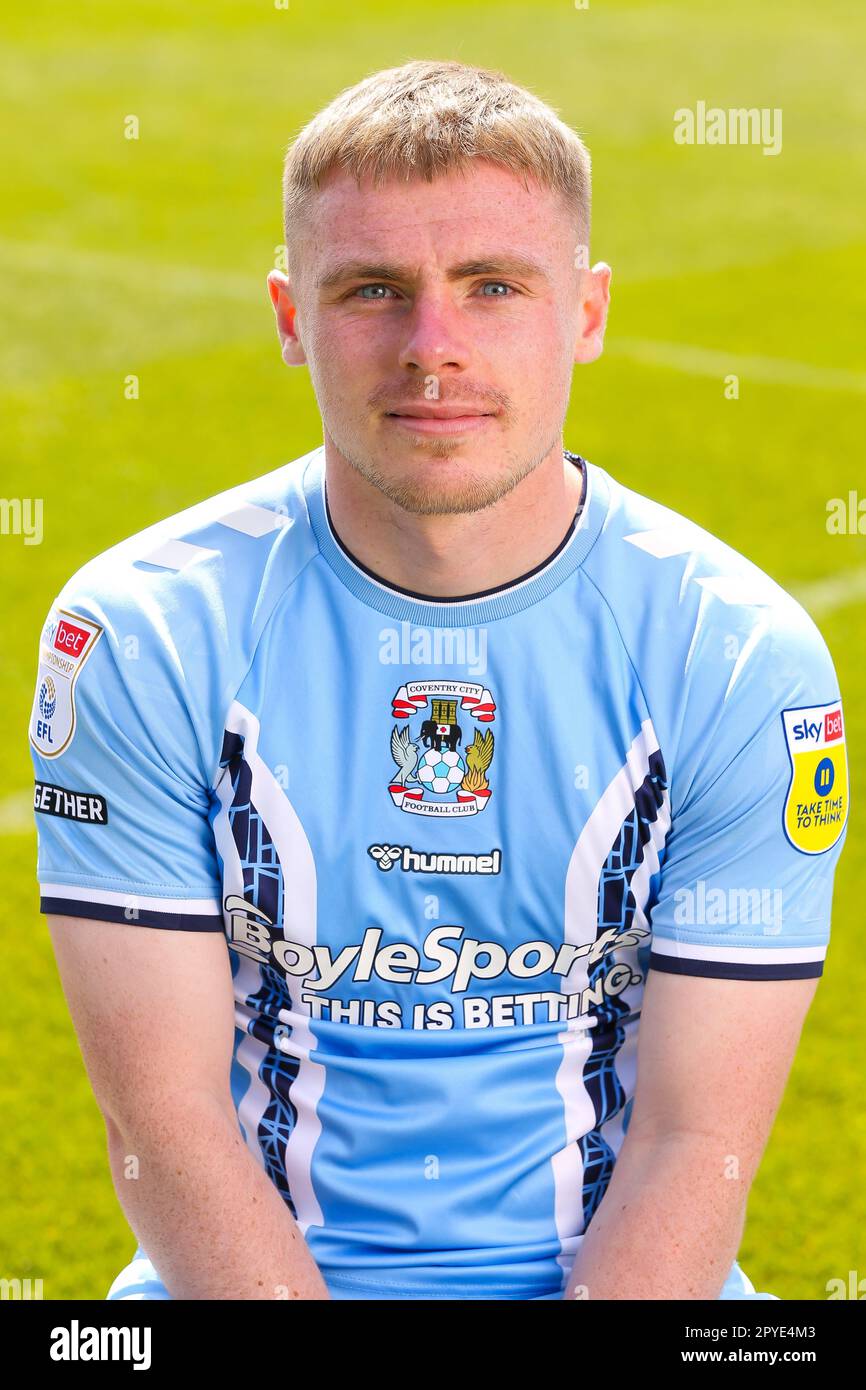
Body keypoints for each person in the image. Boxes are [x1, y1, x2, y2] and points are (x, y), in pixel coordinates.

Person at [29, 59, 848, 1302]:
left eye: (492, 287)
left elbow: (695, 1144)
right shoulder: (140, 631)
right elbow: (163, 1119)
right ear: (289, 313)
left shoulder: (739, 652)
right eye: (372, 290)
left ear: (584, 310)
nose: (431, 348)